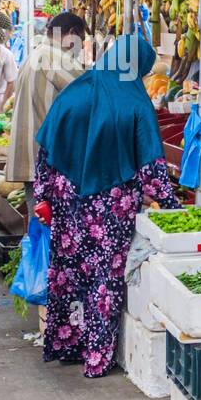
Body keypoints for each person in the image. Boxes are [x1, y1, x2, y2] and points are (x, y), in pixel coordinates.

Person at [34, 34, 179, 378]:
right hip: (110, 207)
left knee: (68, 271)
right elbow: (151, 167)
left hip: (68, 198)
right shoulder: (135, 100)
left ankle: (67, 344)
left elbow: (46, 148)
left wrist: (45, 191)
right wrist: (171, 206)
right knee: (104, 279)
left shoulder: (76, 89)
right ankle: (96, 358)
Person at [6, 11, 88, 206]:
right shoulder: (56, 57)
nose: (80, 48)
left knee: (39, 226)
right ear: (72, 33)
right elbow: (89, 98)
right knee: (53, 229)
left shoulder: (34, 54)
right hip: (49, 162)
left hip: (31, 158)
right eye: (81, 40)